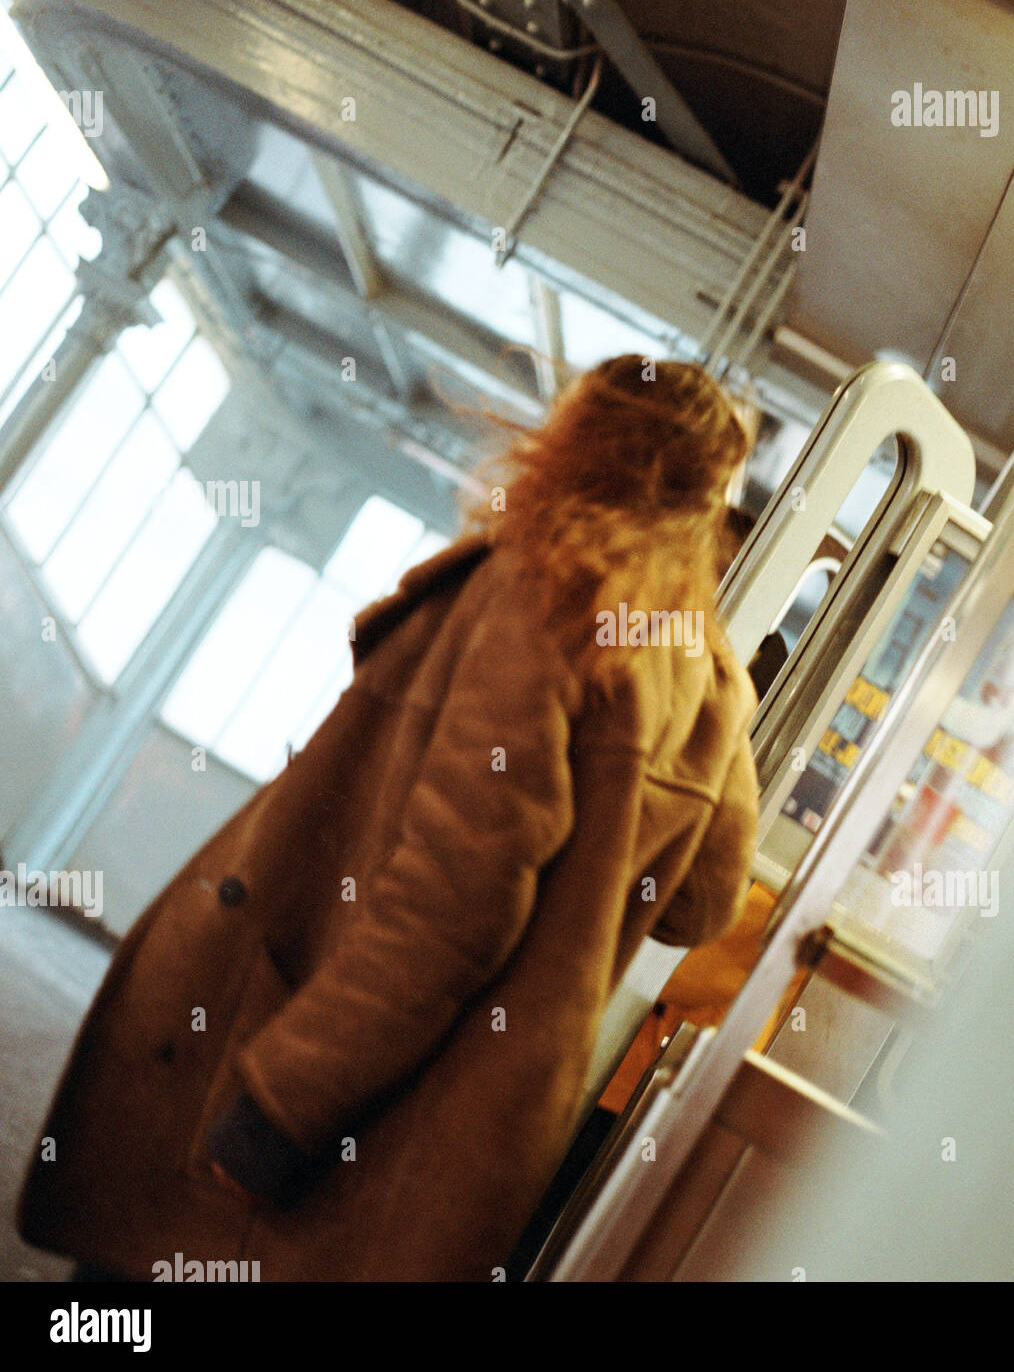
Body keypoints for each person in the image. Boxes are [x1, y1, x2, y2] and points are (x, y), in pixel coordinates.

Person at [15, 355, 761, 1282]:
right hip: (465, 1122)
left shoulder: (547, 595)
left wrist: (283, 1100)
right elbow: (701, 904)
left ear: (585, 438)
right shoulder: (712, 675)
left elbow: (455, 898)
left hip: (332, 1076)